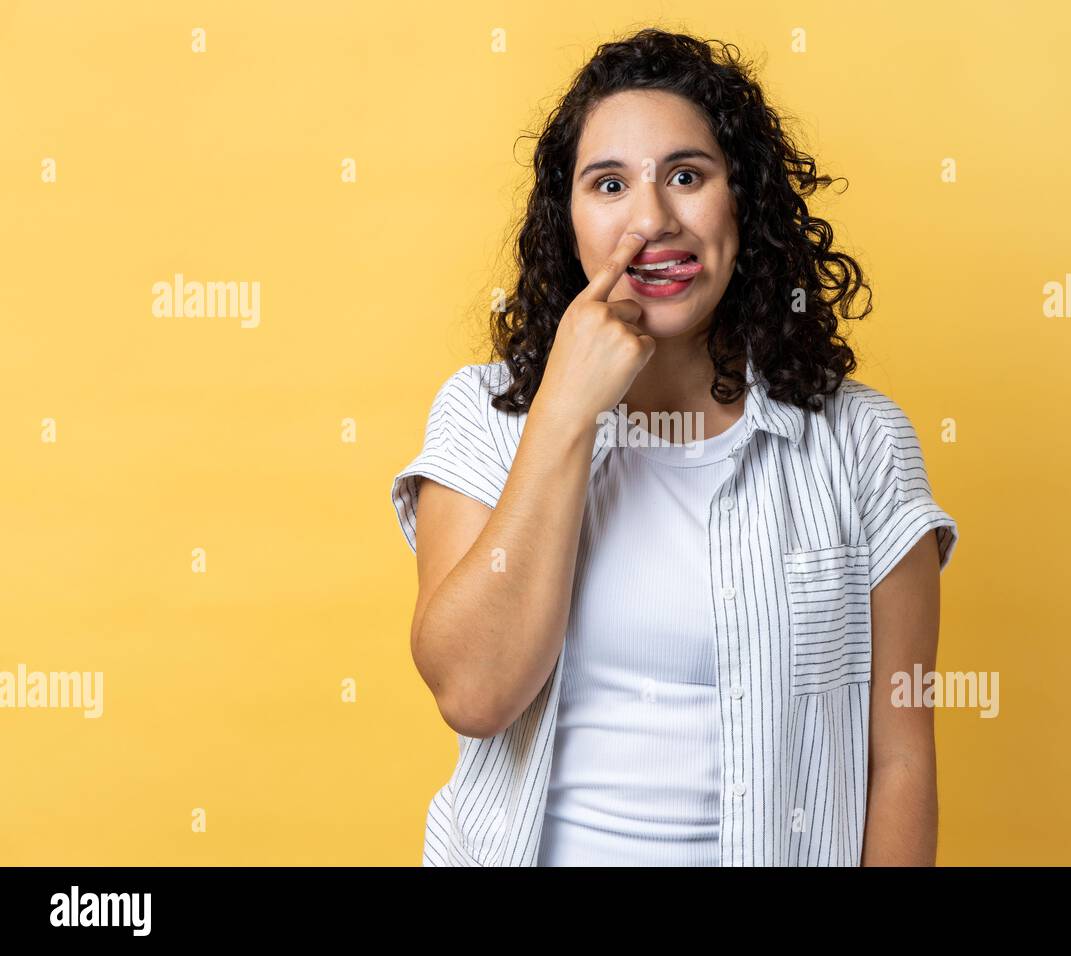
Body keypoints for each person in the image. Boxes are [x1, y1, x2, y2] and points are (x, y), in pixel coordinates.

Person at [391, 28, 958, 866]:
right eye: (609, 183)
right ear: (570, 221)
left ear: (744, 203)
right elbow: (473, 693)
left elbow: (900, 760)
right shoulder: (485, 414)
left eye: (687, 176)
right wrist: (564, 412)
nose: (651, 219)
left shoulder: (861, 443)